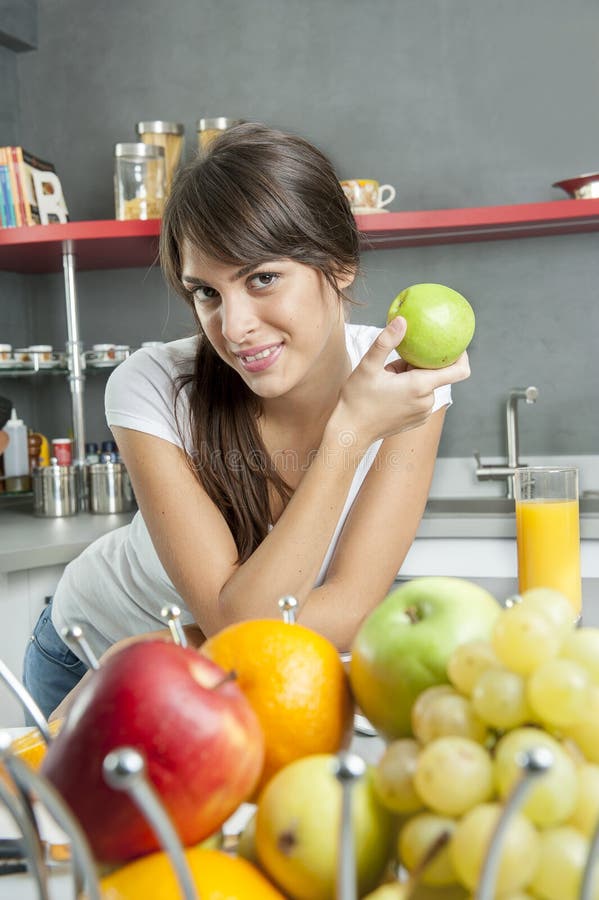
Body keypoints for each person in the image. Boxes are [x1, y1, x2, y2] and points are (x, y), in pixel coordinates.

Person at [23, 123, 470, 719]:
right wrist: (349, 434)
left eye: (262, 278)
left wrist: (176, 643)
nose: (233, 329)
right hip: (92, 659)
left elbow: (349, 610)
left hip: (223, 673)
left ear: (338, 264)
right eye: (206, 293)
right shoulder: (153, 383)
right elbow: (243, 622)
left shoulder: (404, 384)